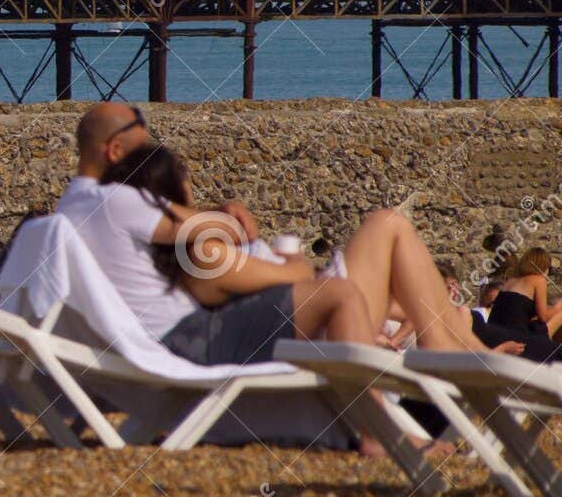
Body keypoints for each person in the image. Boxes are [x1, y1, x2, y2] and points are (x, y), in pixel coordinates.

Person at [59, 103, 496, 363]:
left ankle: (461, 344)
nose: (154, 152)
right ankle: (447, 347)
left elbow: (183, 221)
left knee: (388, 230)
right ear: (115, 152)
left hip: (184, 339)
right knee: (387, 224)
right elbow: (209, 228)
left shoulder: (75, 210)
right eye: (145, 148)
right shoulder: (117, 202)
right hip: (310, 329)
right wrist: (236, 224)